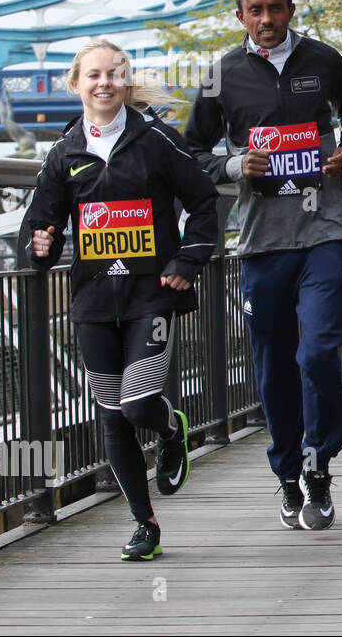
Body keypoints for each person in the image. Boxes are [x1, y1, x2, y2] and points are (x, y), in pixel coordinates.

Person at [185, 0, 342, 530]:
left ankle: (319, 464)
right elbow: (191, 151)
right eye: (256, 10)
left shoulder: (324, 60)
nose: (267, 20)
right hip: (261, 241)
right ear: (240, 16)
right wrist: (234, 165)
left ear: (291, 10)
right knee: (273, 366)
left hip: (323, 230)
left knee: (318, 352)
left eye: (276, 8)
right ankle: (287, 473)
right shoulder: (221, 75)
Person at [24, 39, 219, 561]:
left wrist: (186, 261)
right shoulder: (64, 152)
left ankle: (170, 428)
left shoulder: (156, 139)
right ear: (76, 84)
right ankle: (144, 524)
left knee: (136, 404)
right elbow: (41, 223)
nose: (104, 83)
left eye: (113, 73)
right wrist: (41, 245)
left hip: (150, 295)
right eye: (93, 75)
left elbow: (203, 200)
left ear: (125, 81)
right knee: (112, 416)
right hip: (92, 302)